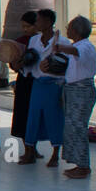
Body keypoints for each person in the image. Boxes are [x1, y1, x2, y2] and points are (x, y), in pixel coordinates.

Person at [18, 9, 65, 167]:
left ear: (49, 22)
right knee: (33, 118)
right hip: (37, 83)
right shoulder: (34, 40)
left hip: (54, 84)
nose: (36, 23)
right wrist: (23, 65)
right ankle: (30, 151)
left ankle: (55, 154)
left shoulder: (62, 42)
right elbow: (31, 61)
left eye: (39, 20)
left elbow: (67, 65)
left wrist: (53, 69)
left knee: (54, 118)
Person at [53, 16, 96, 179]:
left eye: (69, 27)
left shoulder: (85, 46)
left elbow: (75, 52)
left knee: (78, 128)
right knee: (73, 127)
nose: (67, 30)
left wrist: (60, 47)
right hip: (73, 90)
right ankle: (79, 163)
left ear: (77, 31)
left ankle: (83, 165)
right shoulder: (78, 45)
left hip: (81, 91)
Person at [9, 10, 38, 147]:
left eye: (29, 26)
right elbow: (12, 63)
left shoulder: (41, 41)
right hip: (23, 80)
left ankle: (34, 146)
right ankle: (27, 147)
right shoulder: (19, 42)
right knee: (22, 113)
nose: (25, 29)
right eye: (24, 26)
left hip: (36, 81)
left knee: (35, 115)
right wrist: (17, 64)